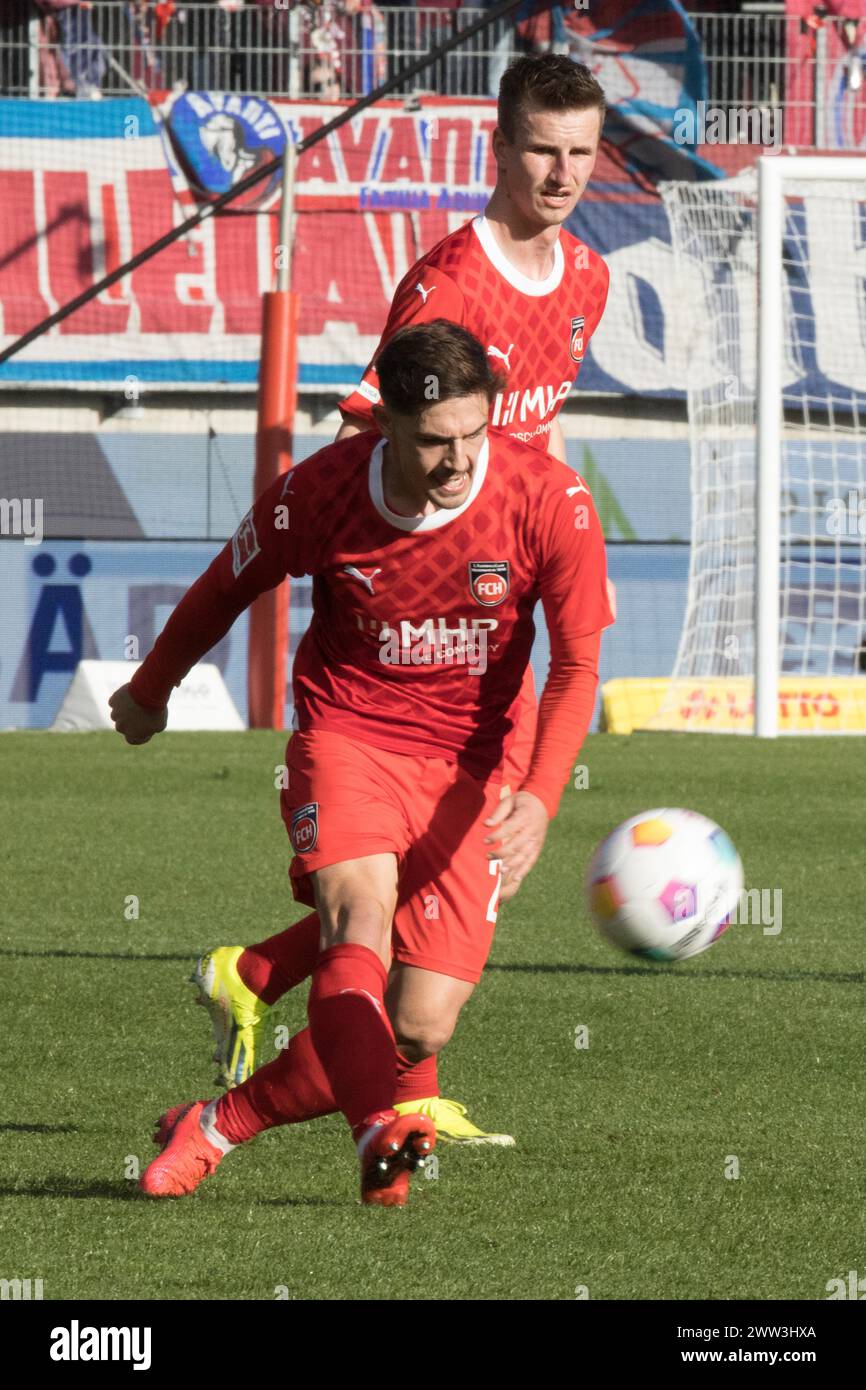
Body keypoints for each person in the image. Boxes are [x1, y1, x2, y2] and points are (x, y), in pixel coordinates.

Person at [191, 53, 613, 1149]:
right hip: (426, 620)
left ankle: (259, 975)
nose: (562, 173)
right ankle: (393, 1103)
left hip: (501, 609)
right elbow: (361, 441)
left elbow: (539, 435)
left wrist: (551, 546)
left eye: (580, 151)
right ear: (498, 147)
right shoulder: (443, 287)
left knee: (459, 867)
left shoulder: (586, 280)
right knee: (446, 873)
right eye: (540, 150)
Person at [109, 319, 614, 1205]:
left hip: (482, 763)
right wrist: (150, 692)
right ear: (383, 425)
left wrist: (540, 797)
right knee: (358, 924)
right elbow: (225, 585)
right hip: (353, 735)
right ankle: (377, 1129)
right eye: (433, 442)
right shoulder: (322, 493)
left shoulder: (550, 500)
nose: (458, 460)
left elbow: (576, 665)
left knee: (418, 1025)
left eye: (473, 434)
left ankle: (219, 1123)